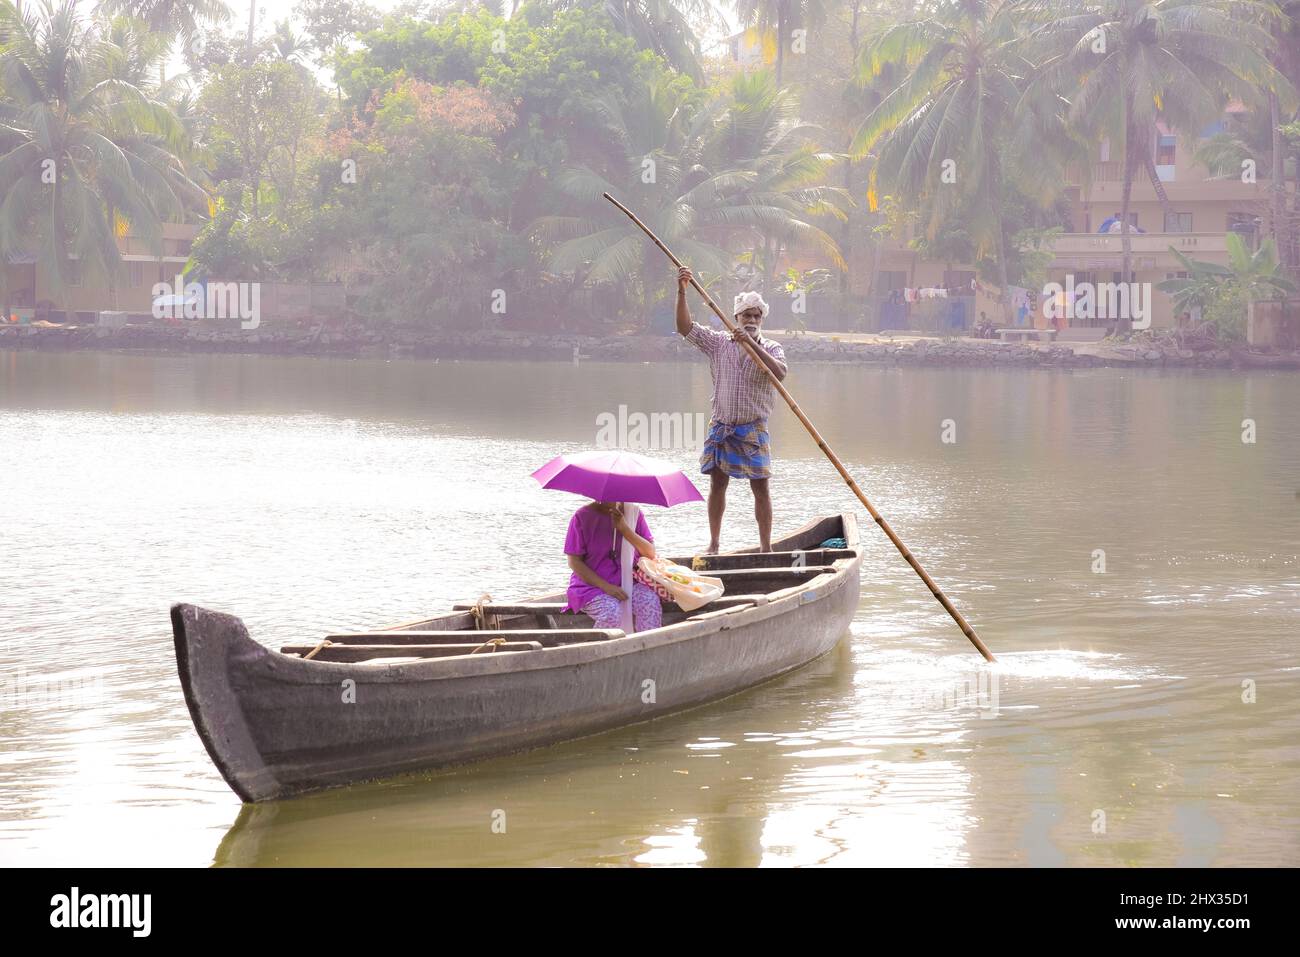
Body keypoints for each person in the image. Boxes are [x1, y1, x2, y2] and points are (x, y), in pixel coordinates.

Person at [675, 266, 788, 553]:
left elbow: (779, 374)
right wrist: (682, 290)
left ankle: (765, 547)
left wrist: (751, 344)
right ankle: (714, 543)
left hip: (753, 428)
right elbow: (685, 328)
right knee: (717, 485)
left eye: (756, 316)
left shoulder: (771, 347)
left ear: (761, 319)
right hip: (723, 425)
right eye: (746, 315)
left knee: (761, 488)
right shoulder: (718, 344)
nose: (751, 320)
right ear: (736, 317)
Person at [563, 501, 661, 632]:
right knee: (611, 613)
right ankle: (596, 650)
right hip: (592, 587)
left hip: (629, 582)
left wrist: (625, 529)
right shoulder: (582, 517)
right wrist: (606, 587)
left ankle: (647, 647)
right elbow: (574, 562)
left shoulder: (634, 514)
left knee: (650, 602)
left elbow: (650, 553)